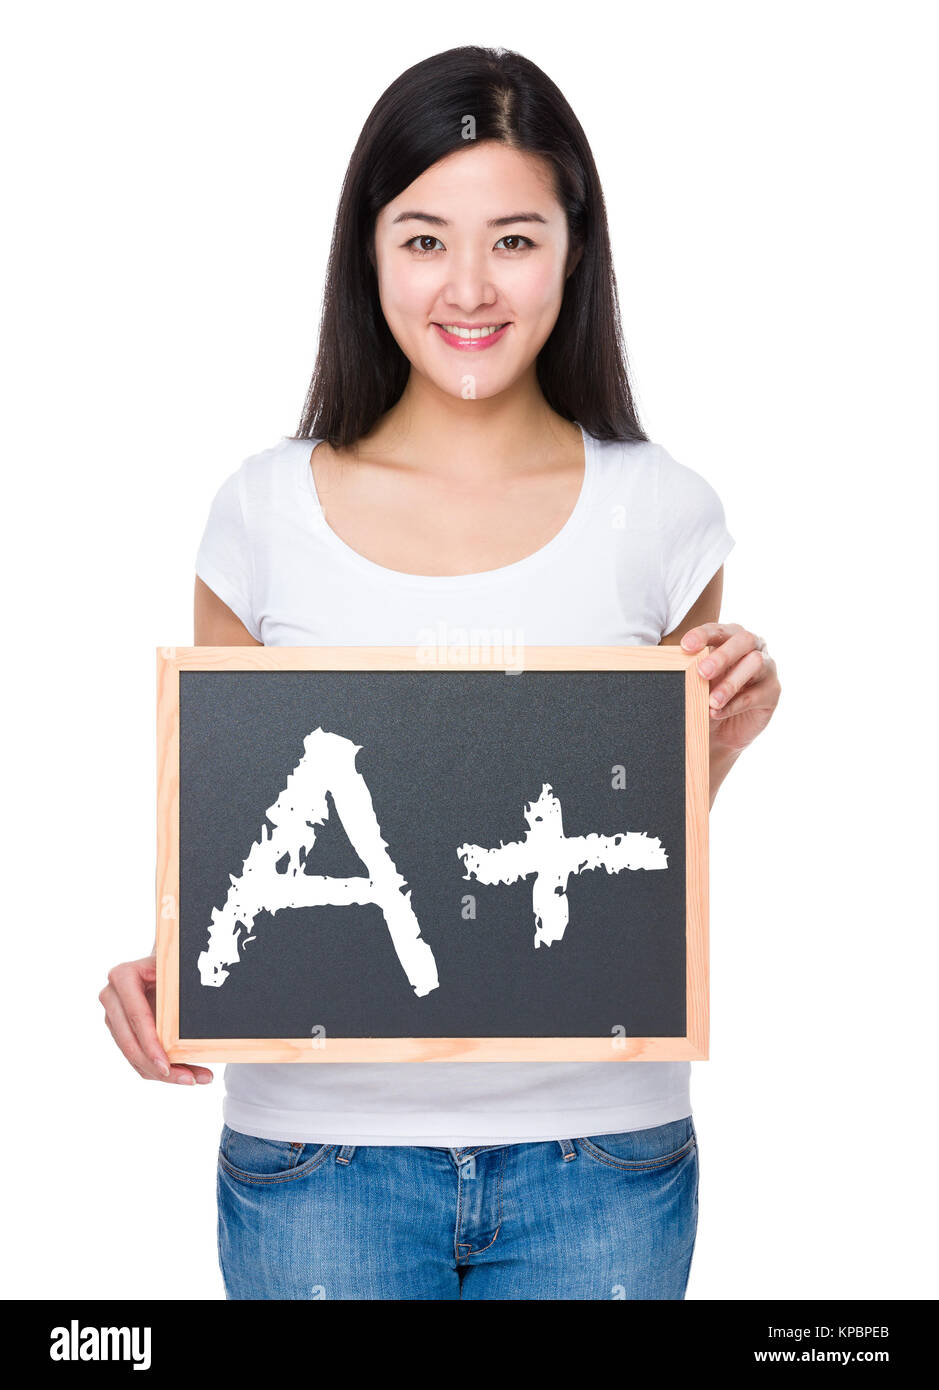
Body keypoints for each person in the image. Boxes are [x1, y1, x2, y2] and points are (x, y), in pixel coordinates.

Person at [100, 45, 780, 1300]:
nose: (469, 285)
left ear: (575, 250)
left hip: (601, 1155)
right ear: (369, 252)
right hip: (318, 1158)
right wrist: (161, 968)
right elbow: (241, 855)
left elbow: (623, 865)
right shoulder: (262, 512)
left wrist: (720, 742)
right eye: (424, 239)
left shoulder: (664, 512)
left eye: (513, 239)